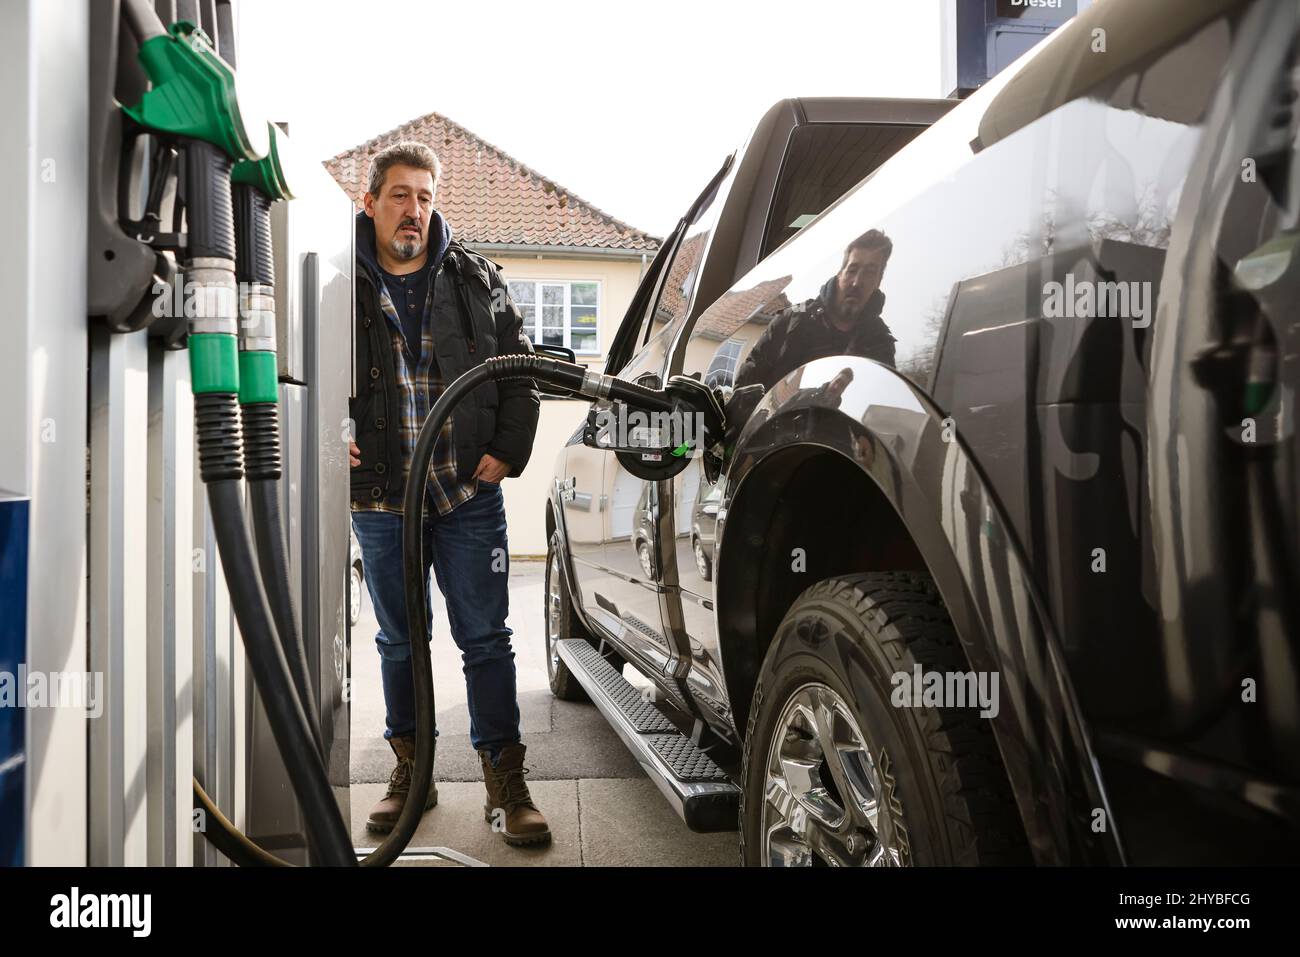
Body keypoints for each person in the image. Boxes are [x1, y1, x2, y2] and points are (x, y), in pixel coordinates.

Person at [347, 140, 548, 846]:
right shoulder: (334, 280)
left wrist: (507, 451)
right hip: (379, 495)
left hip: (463, 490)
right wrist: (326, 434)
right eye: (400, 195)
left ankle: (505, 779)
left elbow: (520, 369)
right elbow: (297, 362)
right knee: (401, 640)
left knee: (485, 638)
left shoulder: (473, 277)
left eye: (426, 197)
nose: (415, 211)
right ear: (369, 201)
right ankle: (413, 771)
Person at [733, 229, 897, 394]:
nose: (857, 282)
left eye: (870, 272)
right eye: (852, 269)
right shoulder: (791, 320)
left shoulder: (880, 344)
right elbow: (744, 392)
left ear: (879, 281)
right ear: (840, 273)